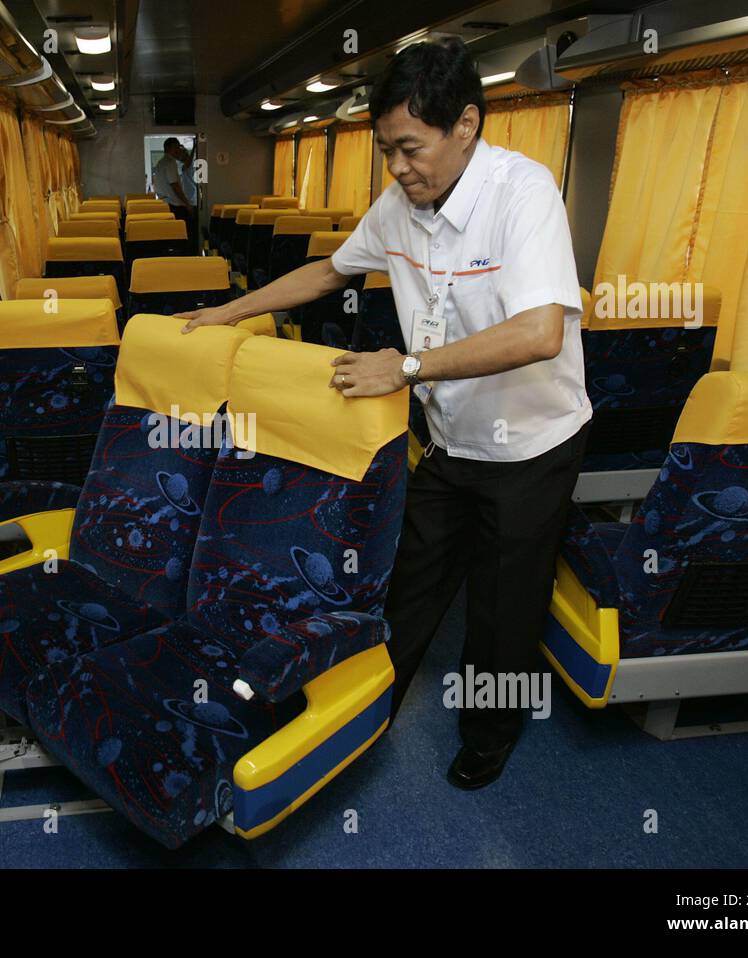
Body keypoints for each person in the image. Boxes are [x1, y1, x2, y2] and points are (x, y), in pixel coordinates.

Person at [177, 38, 590, 791]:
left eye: (410, 148)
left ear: (465, 125)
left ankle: (489, 734)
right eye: (386, 152)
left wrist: (401, 367)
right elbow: (328, 269)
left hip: (531, 447)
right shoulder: (401, 205)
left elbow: (540, 333)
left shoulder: (522, 195)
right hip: (446, 438)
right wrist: (229, 310)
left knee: (502, 612)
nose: (397, 169)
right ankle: (367, 708)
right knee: (404, 584)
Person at [152, 137, 198, 250]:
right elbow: (175, 186)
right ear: (168, 148)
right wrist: (187, 205)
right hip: (174, 205)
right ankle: (188, 257)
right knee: (184, 235)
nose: (178, 150)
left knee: (173, 236)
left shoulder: (161, 162)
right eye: (176, 147)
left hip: (165, 204)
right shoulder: (170, 162)